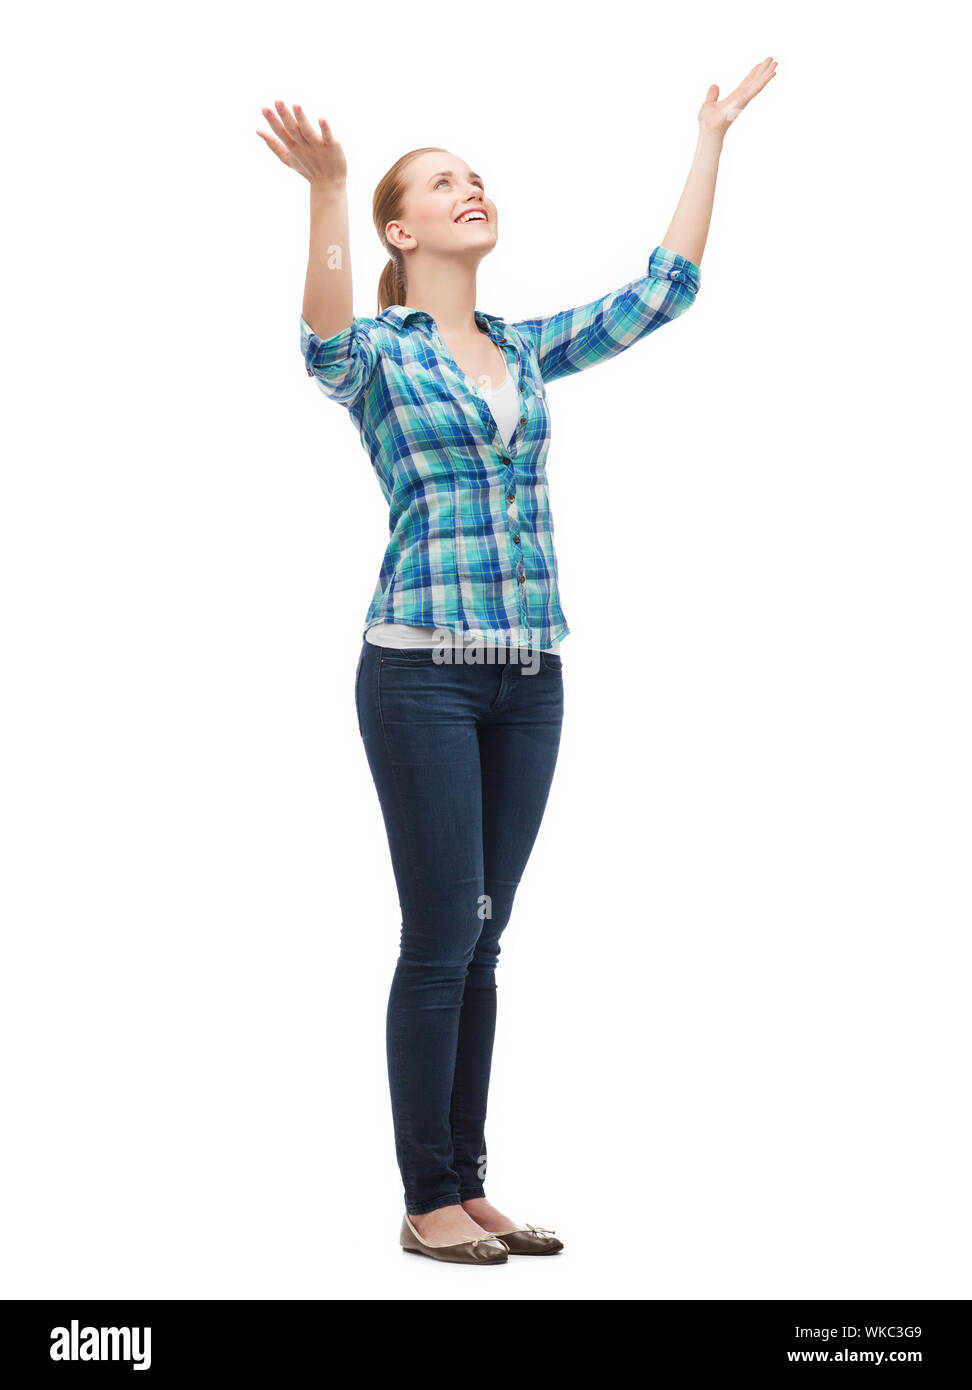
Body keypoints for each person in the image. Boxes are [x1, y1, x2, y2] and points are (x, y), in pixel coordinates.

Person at [257, 56, 777, 1266]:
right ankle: (423, 1195)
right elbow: (320, 345)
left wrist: (709, 140)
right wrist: (326, 194)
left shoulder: (527, 350)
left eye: (478, 178)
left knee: (486, 936)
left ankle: (467, 1183)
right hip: (421, 676)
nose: (471, 191)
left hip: (529, 676)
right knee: (439, 933)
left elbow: (666, 292)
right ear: (404, 226)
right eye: (444, 184)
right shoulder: (381, 349)